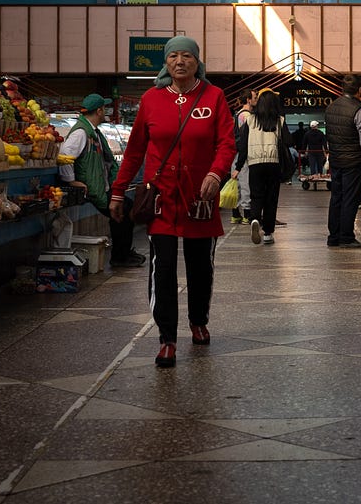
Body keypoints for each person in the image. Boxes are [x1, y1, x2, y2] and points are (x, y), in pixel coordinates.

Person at [109, 36, 235, 368]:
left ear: (198, 62)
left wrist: (216, 173)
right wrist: (118, 191)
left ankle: (198, 319)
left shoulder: (214, 97)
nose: (180, 61)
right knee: (162, 268)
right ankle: (167, 338)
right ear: (166, 63)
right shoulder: (151, 99)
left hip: (199, 199)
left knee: (200, 267)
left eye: (187, 56)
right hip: (161, 199)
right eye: (173, 56)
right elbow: (135, 150)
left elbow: (226, 143)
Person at [59, 94, 143, 267]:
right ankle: (120, 256)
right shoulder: (81, 133)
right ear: (99, 111)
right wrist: (71, 181)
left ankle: (123, 253)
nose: (105, 111)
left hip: (101, 185)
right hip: (93, 189)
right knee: (122, 211)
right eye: (104, 108)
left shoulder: (92, 132)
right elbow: (65, 157)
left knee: (125, 208)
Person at [234, 89, 292, 245]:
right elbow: (288, 141)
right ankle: (268, 233)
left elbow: (243, 146)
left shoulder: (250, 121)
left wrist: (238, 167)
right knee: (271, 198)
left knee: (256, 195)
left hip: (254, 164)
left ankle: (254, 219)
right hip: (273, 163)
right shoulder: (279, 121)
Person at [324, 76, 361, 248]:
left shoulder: (331, 107)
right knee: (350, 199)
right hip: (353, 161)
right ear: (359, 90)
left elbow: (329, 135)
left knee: (336, 197)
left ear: (342, 88)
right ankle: (346, 237)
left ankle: (333, 236)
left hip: (336, 160)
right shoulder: (360, 110)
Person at [230, 89, 258, 224]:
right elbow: (246, 138)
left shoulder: (238, 114)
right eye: (255, 97)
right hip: (243, 153)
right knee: (245, 183)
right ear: (248, 99)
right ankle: (247, 214)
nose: (256, 99)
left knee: (238, 184)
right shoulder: (245, 116)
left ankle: (235, 214)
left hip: (237, 152)